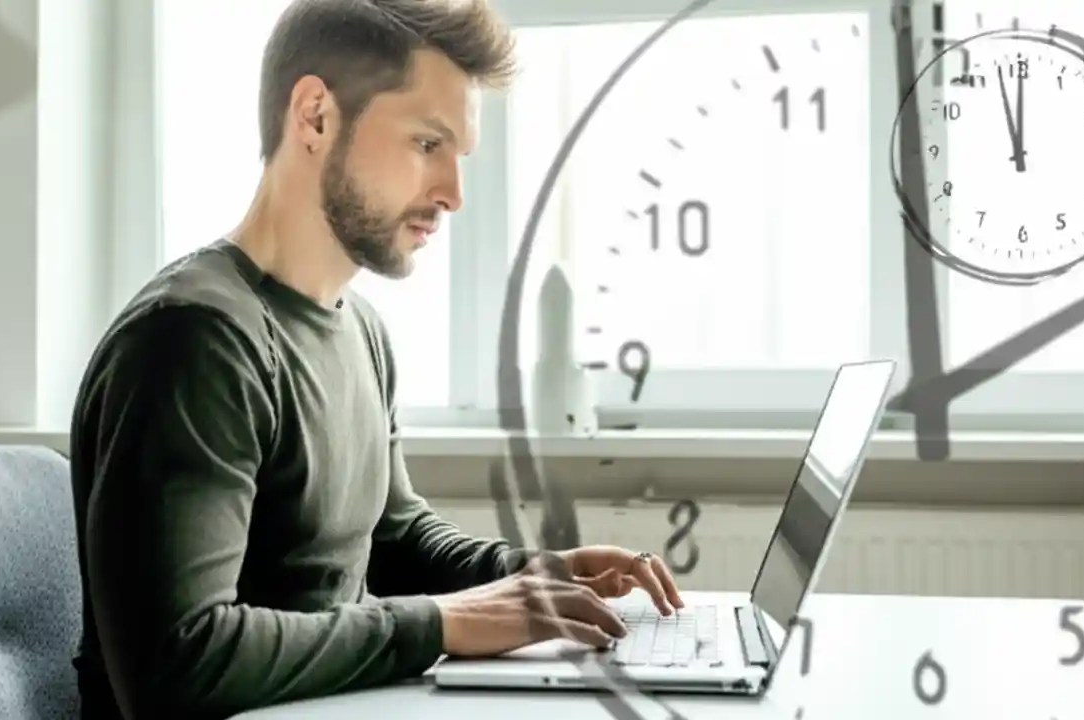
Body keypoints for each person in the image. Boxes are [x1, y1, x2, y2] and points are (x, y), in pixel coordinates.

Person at [67, 1, 685, 718]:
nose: (453, 193)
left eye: (458, 156)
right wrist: (443, 624)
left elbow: (393, 540)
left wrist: (532, 575)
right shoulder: (194, 340)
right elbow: (177, 664)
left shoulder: (360, 330)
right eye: (427, 143)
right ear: (315, 117)